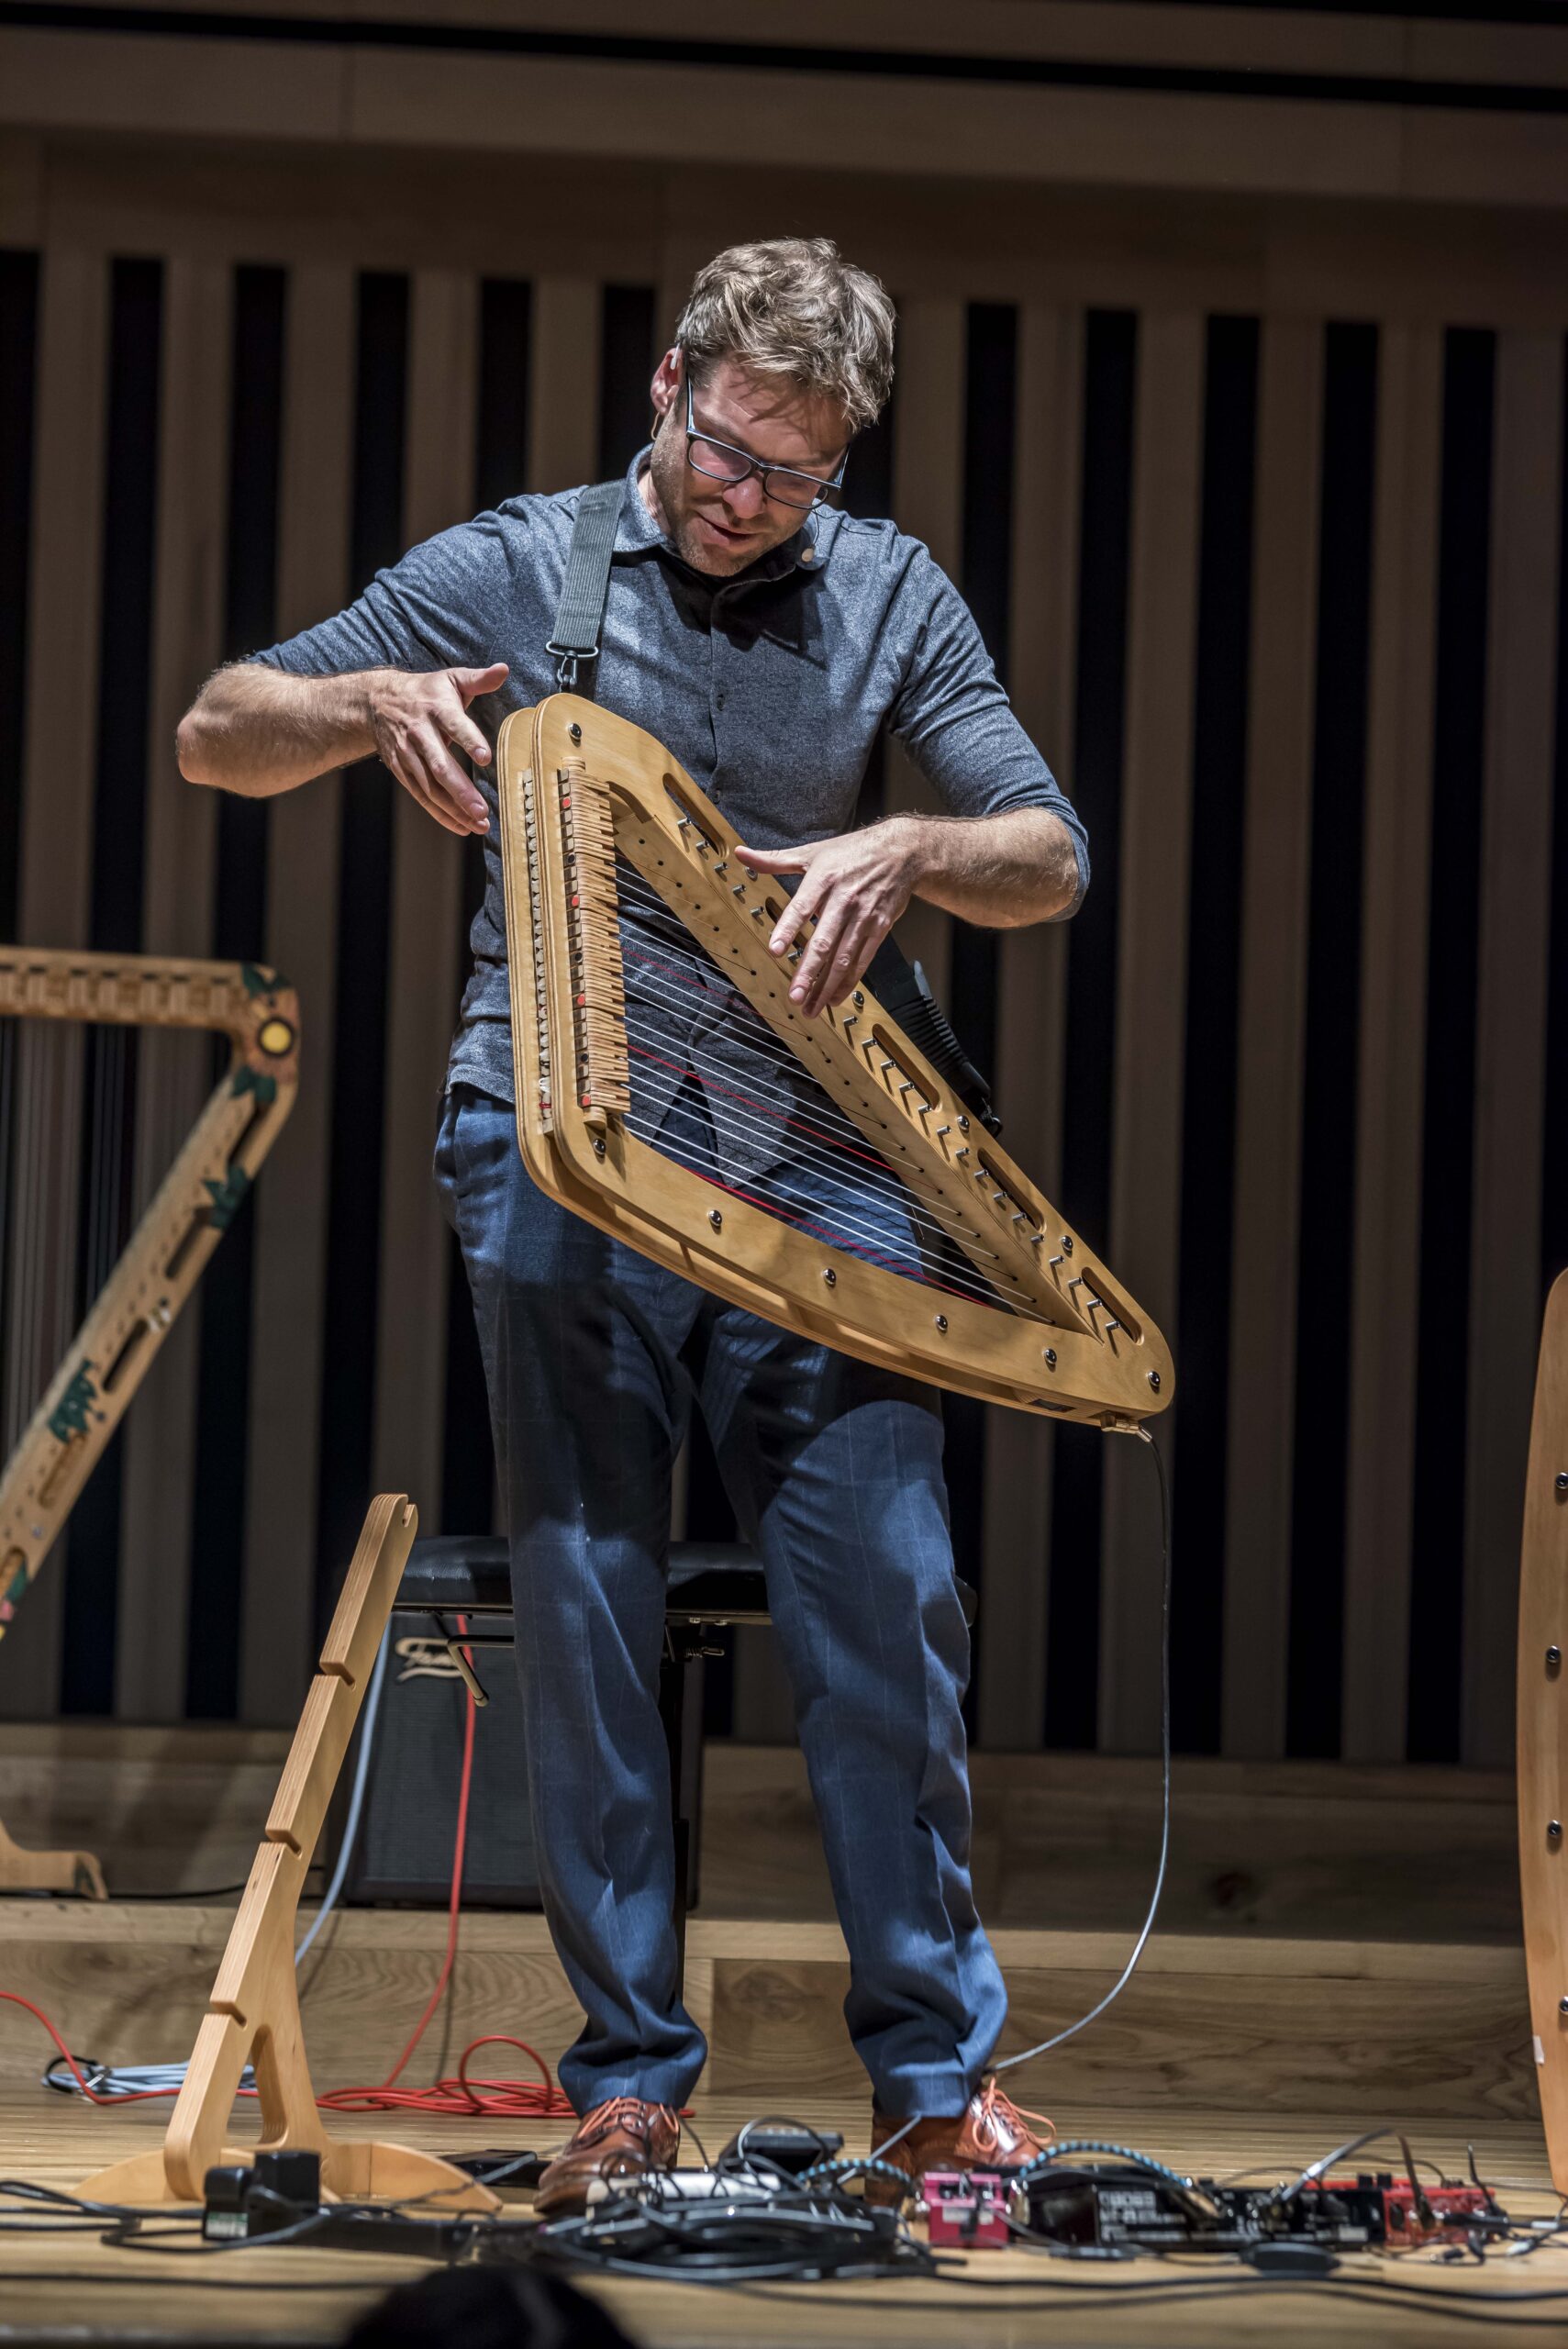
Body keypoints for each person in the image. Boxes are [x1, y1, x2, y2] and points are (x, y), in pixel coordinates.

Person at [178, 238, 1088, 2213]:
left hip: (822, 1184)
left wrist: (907, 842)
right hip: (567, 1157)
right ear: (672, 378)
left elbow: (1046, 852)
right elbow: (217, 727)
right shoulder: (532, 559)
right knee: (587, 1611)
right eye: (726, 443)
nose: (746, 495)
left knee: (891, 1607)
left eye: (795, 469)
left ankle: (933, 2078)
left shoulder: (888, 590)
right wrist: (377, 708)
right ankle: (625, 2086)